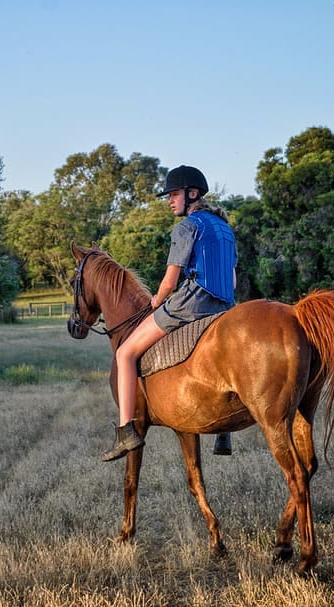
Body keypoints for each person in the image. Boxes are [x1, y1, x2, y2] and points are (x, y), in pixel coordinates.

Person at [102, 165, 238, 462]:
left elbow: (170, 280)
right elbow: (233, 278)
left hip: (193, 303)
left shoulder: (186, 227)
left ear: (192, 194)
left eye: (174, 194)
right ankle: (223, 432)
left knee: (125, 353)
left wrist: (157, 300)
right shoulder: (224, 228)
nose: (169, 200)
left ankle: (126, 431)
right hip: (226, 306)